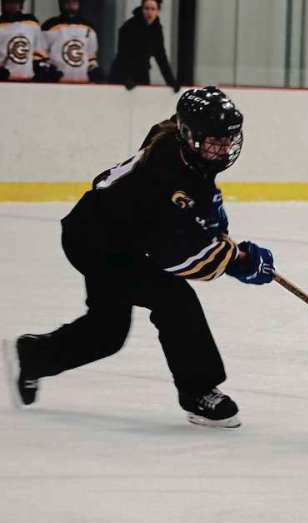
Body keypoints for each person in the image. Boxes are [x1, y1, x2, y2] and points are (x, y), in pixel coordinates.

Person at [3, 87, 276, 428]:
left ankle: (32, 357)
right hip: (98, 244)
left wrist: (212, 229)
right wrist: (238, 263)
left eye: (228, 140)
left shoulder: (175, 140)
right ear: (190, 135)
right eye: (214, 142)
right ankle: (198, 391)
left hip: (107, 231)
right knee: (175, 299)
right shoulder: (170, 180)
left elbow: (191, 209)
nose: (223, 149)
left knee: (107, 333)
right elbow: (177, 257)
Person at [109, 0, 178, 92]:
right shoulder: (129, 27)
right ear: (142, 9)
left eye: (153, 9)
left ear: (157, 11)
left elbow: (161, 57)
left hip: (142, 72)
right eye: (146, 8)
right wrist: (125, 78)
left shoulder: (157, 30)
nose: (149, 12)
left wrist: (171, 81)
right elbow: (124, 55)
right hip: (122, 73)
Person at [0, 0, 61, 82]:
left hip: (28, 81)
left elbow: (38, 51)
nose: (12, 6)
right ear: (3, 5)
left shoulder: (31, 23)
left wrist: (41, 67)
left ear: (21, 4)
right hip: (4, 83)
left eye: (15, 2)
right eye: (9, 2)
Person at [42, 0, 102, 83]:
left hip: (83, 84)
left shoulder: (89, 27)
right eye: (67, 2)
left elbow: (91, 59)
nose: (71, 5)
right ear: (61, 4)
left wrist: (94, 72)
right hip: (57, 85)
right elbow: (42, 57)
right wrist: (48, 72)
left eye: (74, 2)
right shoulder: (49, 26)